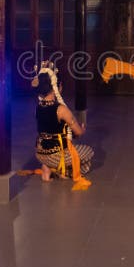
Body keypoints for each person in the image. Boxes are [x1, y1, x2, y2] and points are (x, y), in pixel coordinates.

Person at [29, 61, 93, 190]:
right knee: (88, 153)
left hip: (40, 154)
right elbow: (78, 133)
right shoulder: (61, 109)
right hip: (55, 156)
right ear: (56, 87)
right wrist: (82, 130)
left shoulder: (38, 107)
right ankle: (60, 170)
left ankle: (46, 167)